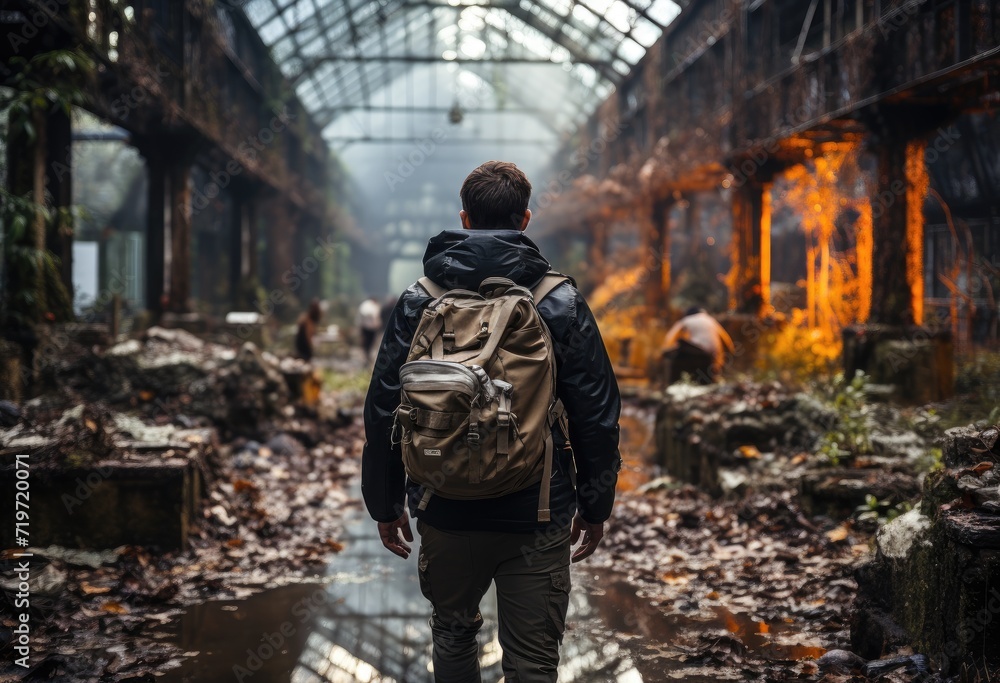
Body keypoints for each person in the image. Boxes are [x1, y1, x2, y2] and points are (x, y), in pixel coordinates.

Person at [362, 161, 622, 682]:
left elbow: (386, 405)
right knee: (531, 661)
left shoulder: (420, 299)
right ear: (525, 218)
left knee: (454, 636)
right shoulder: (559, 300)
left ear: (463, 217)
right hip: (538, 509)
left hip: (442, 503)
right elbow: (596, 412)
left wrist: (384, 502)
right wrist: (596, 506)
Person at [661, 306, 734, 384]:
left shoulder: (686, 320)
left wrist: (663, 352)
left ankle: (670, 384)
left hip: (697, 352)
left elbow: (670, 338)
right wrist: (731, 353)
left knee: (678, 346)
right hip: (710, 359)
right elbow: (727, 341)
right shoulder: (711, 320)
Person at [356, 296, 382, 361]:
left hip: (364, 327)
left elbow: (359, 318)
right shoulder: (374, 306)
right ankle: (367, 355)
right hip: (371, 328)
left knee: (366, 342)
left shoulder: (364, 305)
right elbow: (376, 317)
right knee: (370, 342)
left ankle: (366, 355)